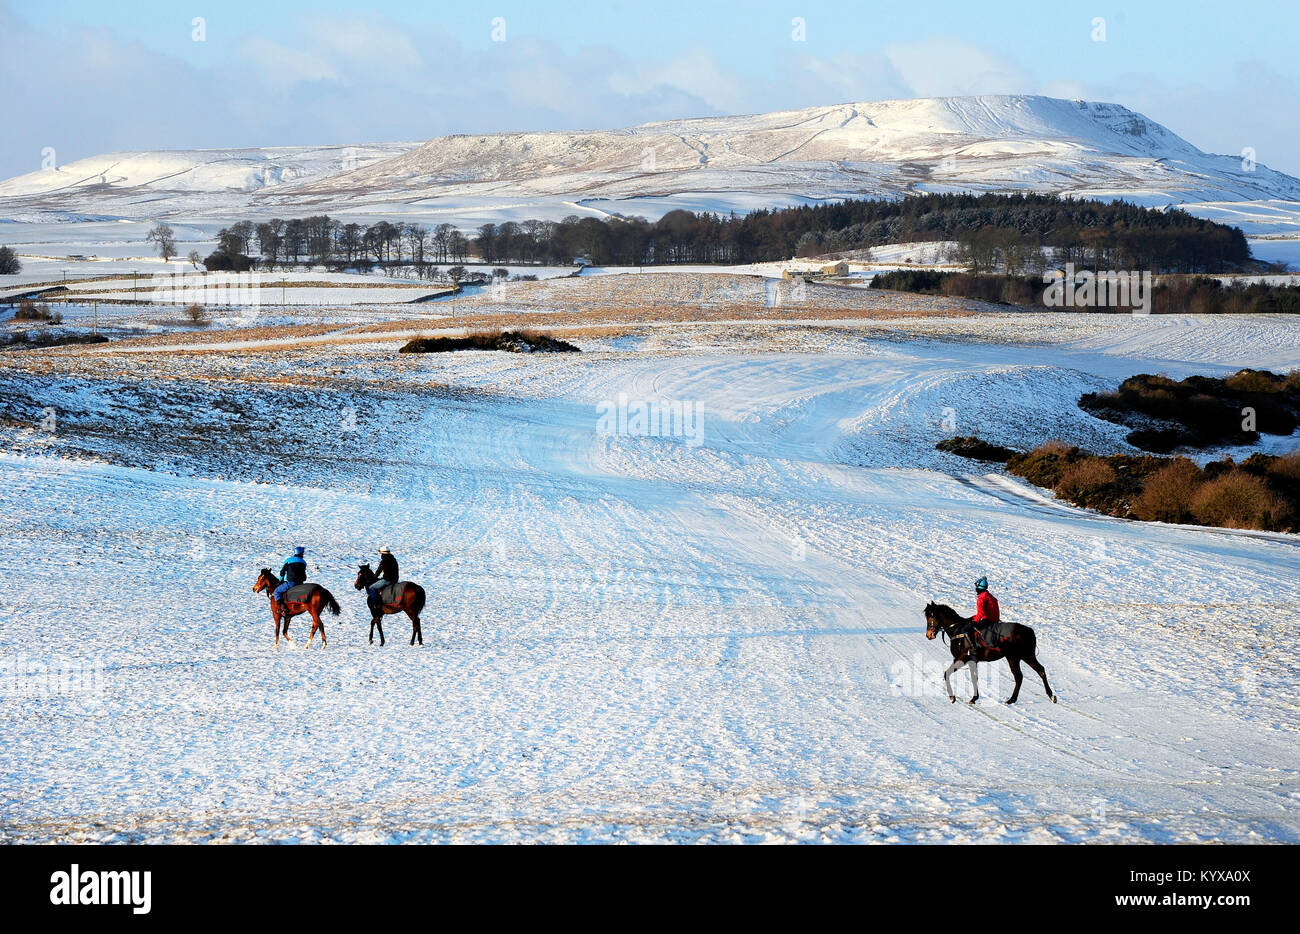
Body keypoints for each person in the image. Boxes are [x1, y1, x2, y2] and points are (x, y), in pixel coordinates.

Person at [966, 575, 1000, 649]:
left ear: (979, 588)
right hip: (995, 619)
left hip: (989, 620)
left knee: (969, 630)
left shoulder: (981, 598)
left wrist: (974, 622)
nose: (975, 589)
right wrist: (972, 617)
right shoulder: (989, 596)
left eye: (976, 587)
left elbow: (981, 613)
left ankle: (973, 649)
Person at [274, 546, 308, 613]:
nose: (303, 554)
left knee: (276, 592)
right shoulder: (304, 562)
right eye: (303, 553)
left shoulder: (288, 560)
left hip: (291, 583)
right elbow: (304, 575)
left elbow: (282, 572)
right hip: (300, 584)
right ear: (300, 553)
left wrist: (281, 580)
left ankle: (282, 607)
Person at [368, 547, 399, 616]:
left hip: (387, 580)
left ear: (382, 553)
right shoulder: (393, 559)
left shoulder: (384, 560)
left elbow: (379, 571)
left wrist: (374, 578)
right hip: (395, 580)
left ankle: (376, 605)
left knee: (371, 587)